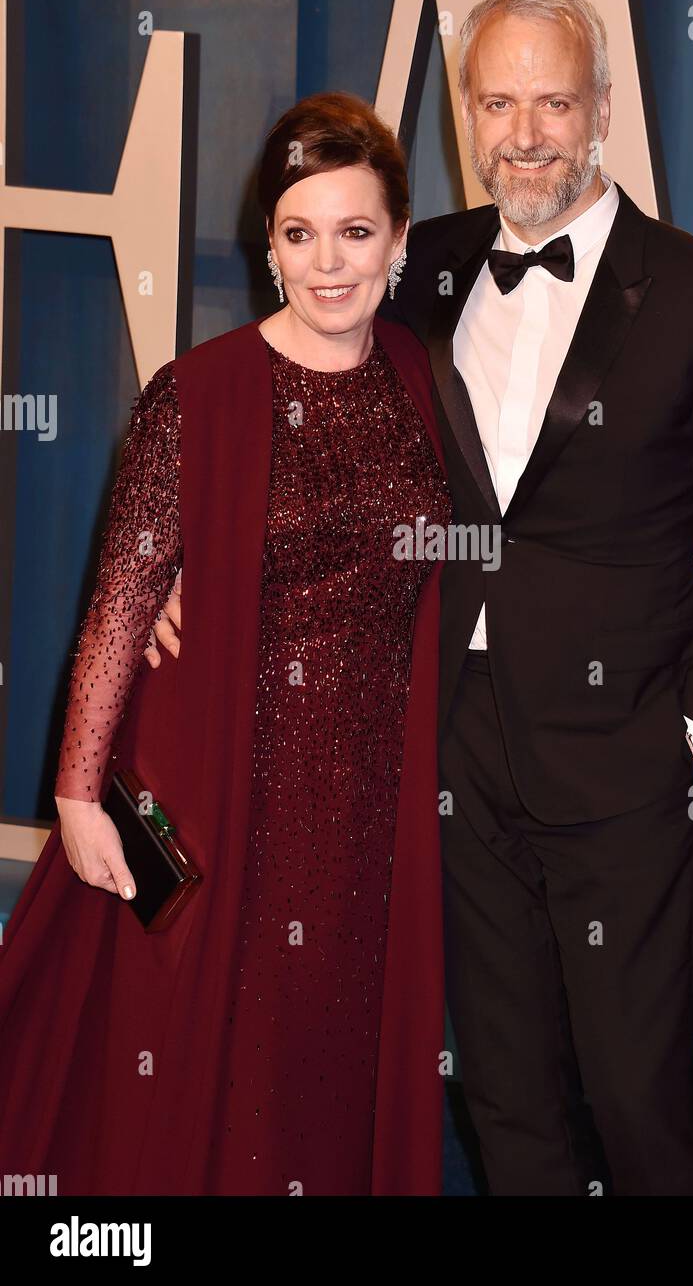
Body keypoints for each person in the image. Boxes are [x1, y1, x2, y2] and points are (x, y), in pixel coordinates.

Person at [150, 0, 693, 1197]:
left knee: (641, 1097)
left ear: (602, 108)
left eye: (553, 100)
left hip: (621, 760)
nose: (524, 132)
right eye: (497, 100)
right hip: (440, 753)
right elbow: (293, 397)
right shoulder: (423, 263)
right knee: (503, 1097)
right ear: (463, 113)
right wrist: (188, 554)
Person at [0, 91, 452, 1196]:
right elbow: (118, 607)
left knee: (326, 1047)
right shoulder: (197, 393)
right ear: (269, 247)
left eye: (356, 232)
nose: (329, 263)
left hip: (367, 801)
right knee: (193, 1047)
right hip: (210, 786)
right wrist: (73, 797)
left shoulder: (424, 378)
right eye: (301, 235)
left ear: (399, 238)